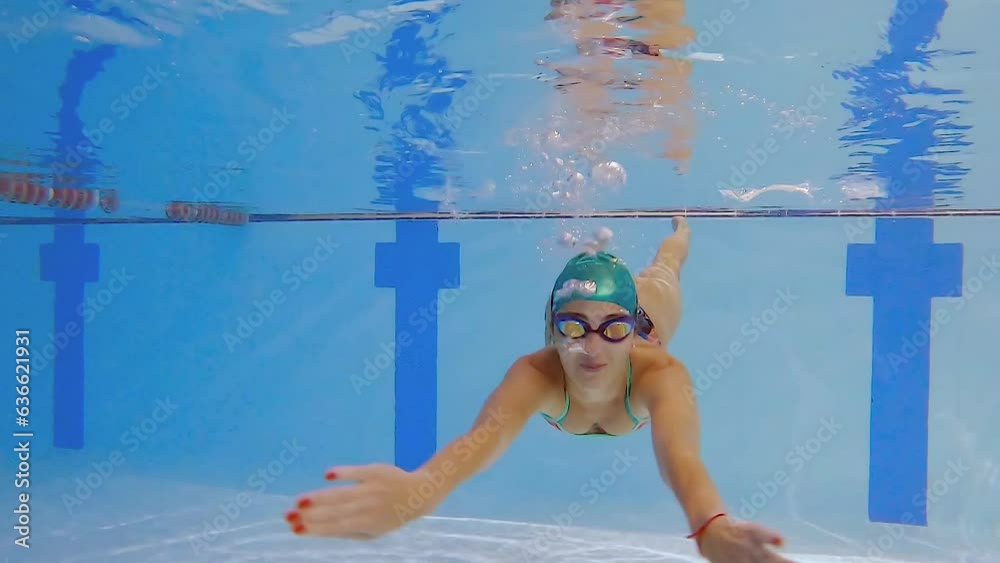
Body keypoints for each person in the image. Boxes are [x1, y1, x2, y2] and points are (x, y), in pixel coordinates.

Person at [284, 217, 792, 563]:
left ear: (630, 328)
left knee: (664, 271)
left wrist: (709, 527)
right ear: (552, 328)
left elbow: (681, 458)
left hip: (651, 309)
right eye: (574, 327)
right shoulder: (537, 374)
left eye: (614, 328)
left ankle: (680, 229)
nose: (592, 347)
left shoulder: (658, 372)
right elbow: (480, 442)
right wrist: (422, 492)